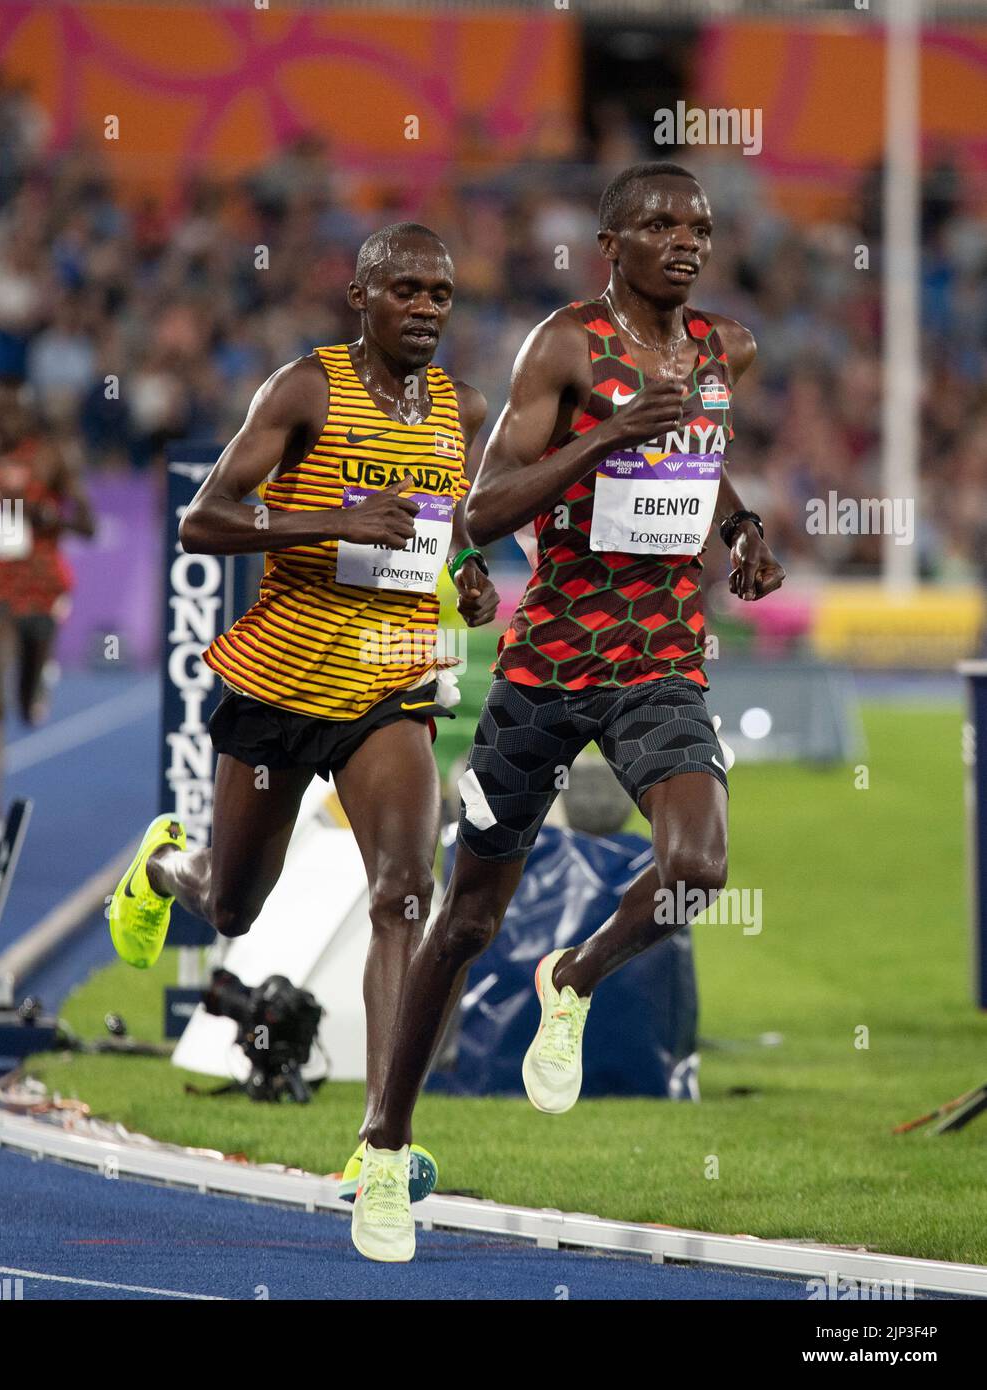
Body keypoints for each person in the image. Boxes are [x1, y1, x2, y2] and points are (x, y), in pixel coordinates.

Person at [351, 163, 786, 1262]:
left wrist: (737, 526)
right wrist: (605, 433)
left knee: (697, 869)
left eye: (696, 225)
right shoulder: (563, 348)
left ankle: (573, 977)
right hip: (546, 667)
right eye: (658, 223)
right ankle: (384, 1151)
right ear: (609, 239)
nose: (683, 240)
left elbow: (695, 460)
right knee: (462, 925)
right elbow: (484, 506)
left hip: (659, 665)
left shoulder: (724, 348)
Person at [107, 224, 499, 1203]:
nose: (424, 308)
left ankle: (380, 1144)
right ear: (360, 296)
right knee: (232, 902)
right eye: (404, 289)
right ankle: (163, 866)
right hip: (281, 683)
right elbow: (203, 519)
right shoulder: (304, 389)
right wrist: (328, 519)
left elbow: (441, 519)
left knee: (406, 889)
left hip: (389, 682)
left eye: (439, 293)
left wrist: (467, 569)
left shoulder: (461, 405)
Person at [0, 380, 95, 855]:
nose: (3, 422)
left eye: (13, 413)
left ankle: (39, 678)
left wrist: (48, 515)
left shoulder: (50, 457)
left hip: (39, 591)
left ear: (26, 414)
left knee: (26, 707)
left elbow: (88, 524)